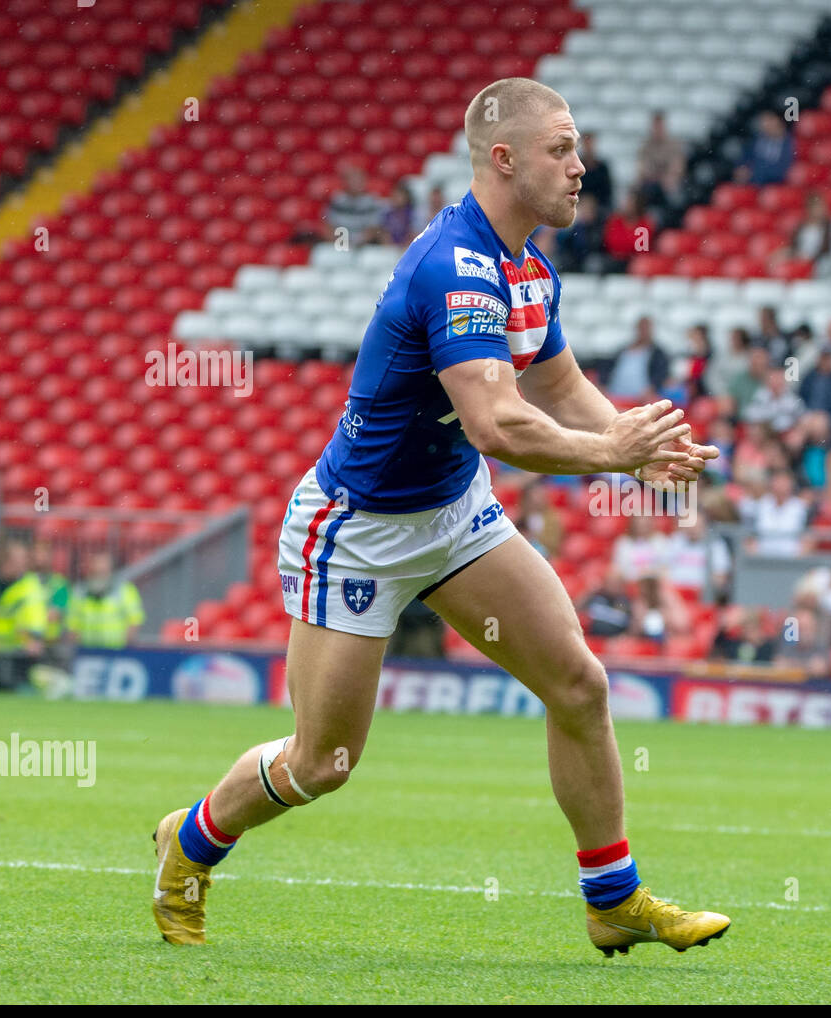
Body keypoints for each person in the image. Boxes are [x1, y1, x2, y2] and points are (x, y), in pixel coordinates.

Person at [151, 77, 729, 956]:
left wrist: (631, 439)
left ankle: (612, 898)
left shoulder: (528, 265)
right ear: (504, 159)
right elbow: (500, 425)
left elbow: (556, 384)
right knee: (323, 763)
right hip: (358, 534)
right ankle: (189, 843)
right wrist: (610, 457)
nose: (582, 168)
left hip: (454, 516)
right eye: (562, 149)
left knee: (579, 684)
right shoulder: (456, 268)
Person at [0, 539, 48, 689]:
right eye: (19, 560)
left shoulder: (30, 585)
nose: (24, 564)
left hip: (15, 650)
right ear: (5, 561)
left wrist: (34, 638)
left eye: (24, 560)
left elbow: (35, 617)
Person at [66, 551, 144, 648]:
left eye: (104, 564)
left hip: (116, 649)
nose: (100, 568)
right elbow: (72, 622)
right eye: (97, 563)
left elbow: (134, 620)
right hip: (87, 650)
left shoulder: (125, 590)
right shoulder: (80, 591)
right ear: (91, 566)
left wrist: (125, 646)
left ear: (111, 567)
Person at [606, 316, 670, 401]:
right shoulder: (622, 350)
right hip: (615, 395)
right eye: (641, 328)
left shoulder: (657, 354)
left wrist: (652, 390)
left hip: (641, 399)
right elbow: (608, 369)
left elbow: (661, 375)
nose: (643, 331)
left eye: (646, 328)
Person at [324, 163, 386, 247]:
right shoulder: (336, 201)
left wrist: (357, 242)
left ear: (364, 182)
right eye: (352, 180)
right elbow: (329, 227)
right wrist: (343, 242)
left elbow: (374, 228)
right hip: (339, 244)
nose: (355, 183)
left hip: (365, 246)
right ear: (345, 182)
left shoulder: (373, 201)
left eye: (358, 180)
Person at [737, 111, 794, 186]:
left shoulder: (791, 142)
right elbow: (745, 159)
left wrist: (755, 173)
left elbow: (785, 169)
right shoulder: (757, 141)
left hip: (779, 185)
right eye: (763, 122)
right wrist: (743, 169)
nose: (765, 125)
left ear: (778, 121)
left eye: (769, 120)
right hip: (756, 184)